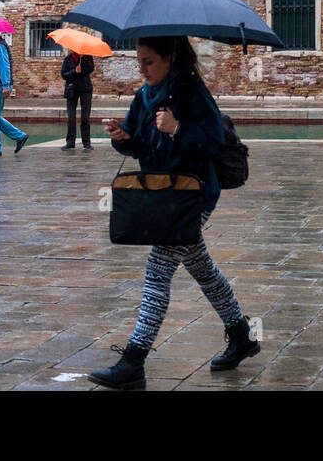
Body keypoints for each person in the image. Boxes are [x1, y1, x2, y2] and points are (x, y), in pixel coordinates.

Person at [89, 36, 258, 389]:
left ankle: (134, 362)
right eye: (139, 60)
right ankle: (241, 336)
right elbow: (136, 144)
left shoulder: (193, 92)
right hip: (161, 194)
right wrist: (121, 136)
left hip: (192, 195)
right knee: (202, 268)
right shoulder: (144, 96)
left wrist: (178, 128)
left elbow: (213, 144)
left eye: (148, 61)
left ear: (169, 59)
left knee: (158, 269)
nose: (142, 68)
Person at [61, 50, 95, 149]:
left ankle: (86, 142)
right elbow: (64, 74)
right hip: (72, 89)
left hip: (85, 89)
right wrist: (74, 71)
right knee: (71, 118)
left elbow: (91, 69)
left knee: (85, 117)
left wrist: (83, 63)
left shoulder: (87, 57)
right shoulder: (68, 59)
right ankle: (70, 142)